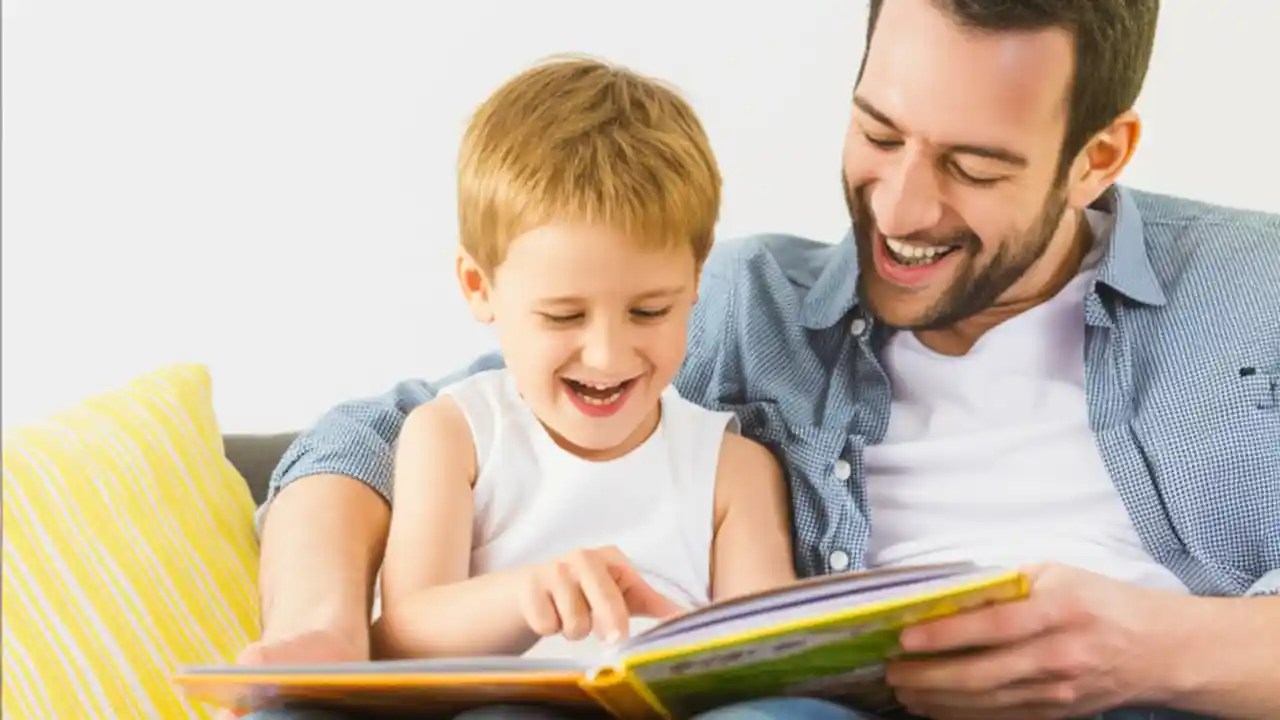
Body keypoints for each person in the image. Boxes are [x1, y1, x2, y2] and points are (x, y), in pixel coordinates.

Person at [241, 0, 1280, 719]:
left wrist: (1154, 649)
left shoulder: (1250, 295)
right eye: (878, 133)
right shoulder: (734, 309)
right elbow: (369, 439)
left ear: (1096, 157)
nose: (900, 209)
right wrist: (325, 630)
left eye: (970, 166)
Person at [369, 56, 797, 664]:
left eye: (649, 312)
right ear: (478, 285)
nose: (607, 354)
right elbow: (401, 640)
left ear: (696, 279)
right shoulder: (455, 437)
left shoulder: (733, 470)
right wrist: (526, 598)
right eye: (564, 316)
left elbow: (768, 658)